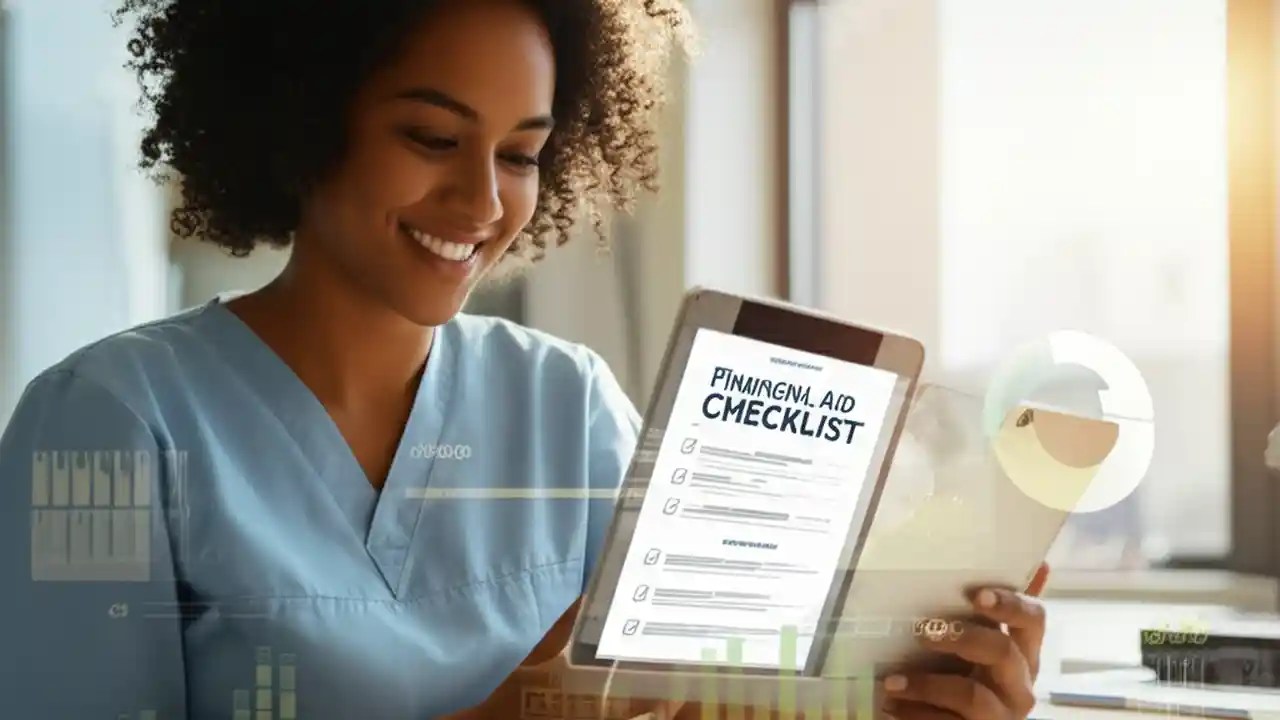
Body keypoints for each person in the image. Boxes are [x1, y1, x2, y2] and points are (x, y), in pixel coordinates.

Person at [0, 0, 1048, 718]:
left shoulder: (567, 401)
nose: (485, 204)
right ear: (301, 122)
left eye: (520, 154)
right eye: (429, 137)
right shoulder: (104, 423)